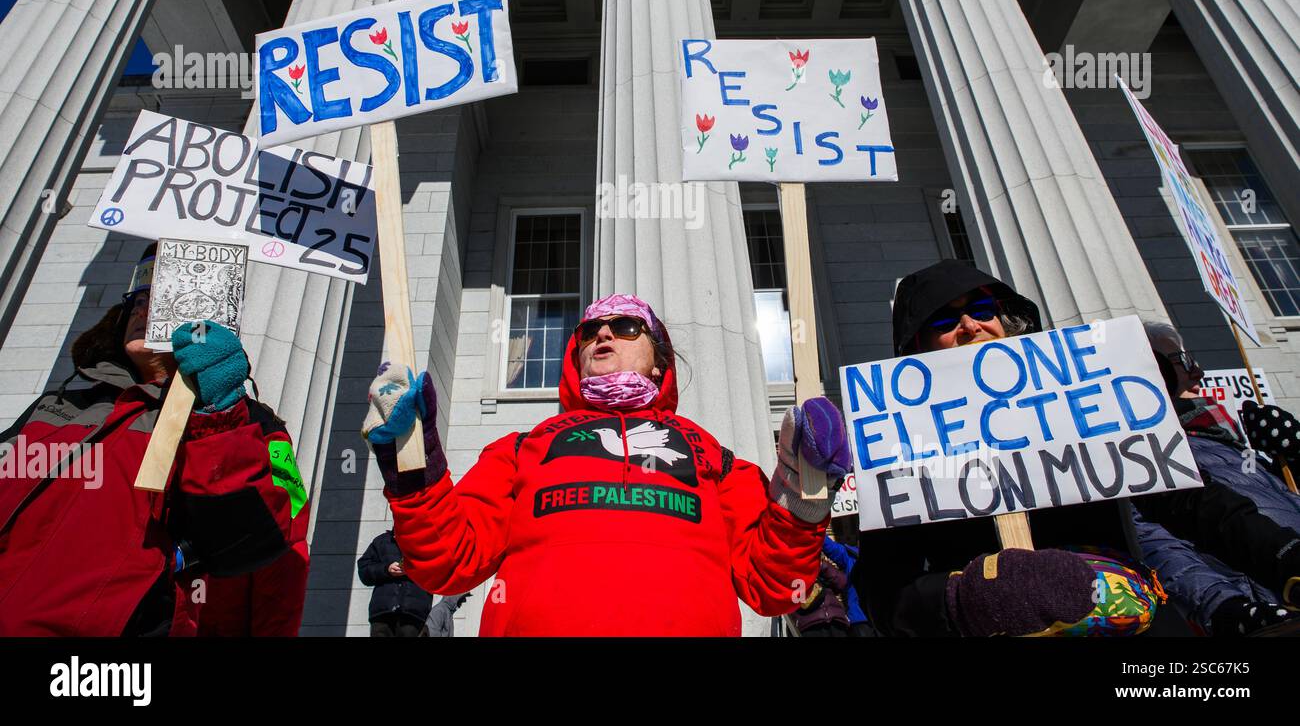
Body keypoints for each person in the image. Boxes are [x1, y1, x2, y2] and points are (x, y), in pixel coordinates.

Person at [362, 293, 849, 636]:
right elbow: (448, 561)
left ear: (658, 359)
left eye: (626, 326)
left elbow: (775, 588)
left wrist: (801, 490)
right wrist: (413, 464)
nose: (604, 334)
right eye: (589, 330)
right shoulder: (522, 446)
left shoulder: (713, 456)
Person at [0, 244, 310, 636]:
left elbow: (267, 550)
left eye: (163, 296)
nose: (144, 308)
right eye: (139, 297)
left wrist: (217, 423)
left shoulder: (247, 423)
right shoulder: (58, 405)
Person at [850, 259, 1166, 637]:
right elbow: (884, 597)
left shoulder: (1084, 412)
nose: (970, 327)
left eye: (982, 310)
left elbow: (1188, 506)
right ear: (919, 346)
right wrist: (964, 597)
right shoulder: (900, 454)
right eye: (943, 321)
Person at [1130, 322, 1300, 636]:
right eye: (1182, 361)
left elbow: (1280, 498)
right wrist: (1224, 607)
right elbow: (1154, 544)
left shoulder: (1229, 443)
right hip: (1271, 606)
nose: (1199, 372)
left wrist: (1293, 453)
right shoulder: (1139, 453)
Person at [358, 528, 433, 636]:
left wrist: (416, 569)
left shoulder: (429, 542)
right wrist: (386, 569)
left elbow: (440, 572)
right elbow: (364, 571)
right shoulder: (381, 541)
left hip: (413, 612)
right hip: (383, 612)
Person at [792, 541, 852, 637]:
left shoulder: (820, 565)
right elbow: (798, 600)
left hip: (836, 620)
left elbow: (842, 583)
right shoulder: (789, 569)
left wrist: (822, 565)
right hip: (810, 624)